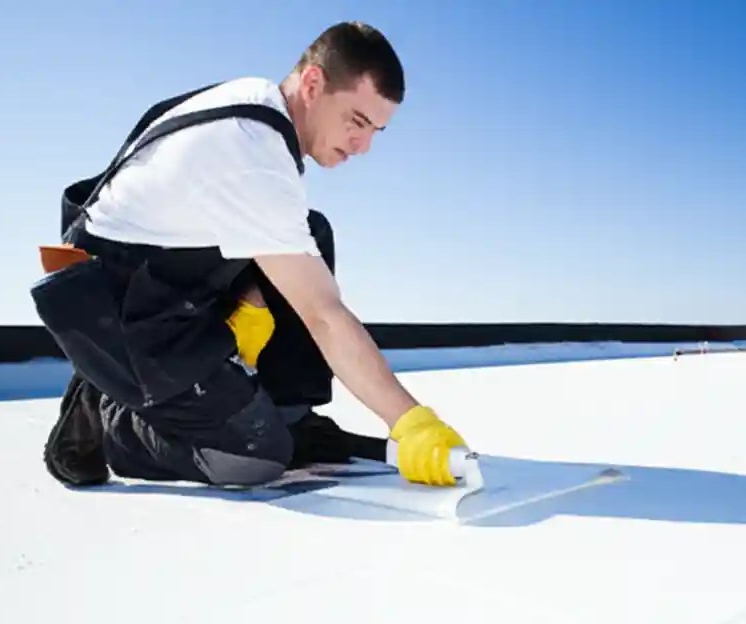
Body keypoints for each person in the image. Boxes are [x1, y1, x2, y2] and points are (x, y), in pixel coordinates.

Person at [31, 21, 468, 490]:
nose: (364, 146)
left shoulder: (260, 105)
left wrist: (254, 303)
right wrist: (411, 421)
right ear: (313, 83)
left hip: (163, 280)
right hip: (119, 314)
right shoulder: (251, 151)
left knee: (310, 233)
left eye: (376, 130)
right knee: (253, 459)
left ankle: (290, 413)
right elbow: (322, 313)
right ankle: (106, 414)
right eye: (357, 122)